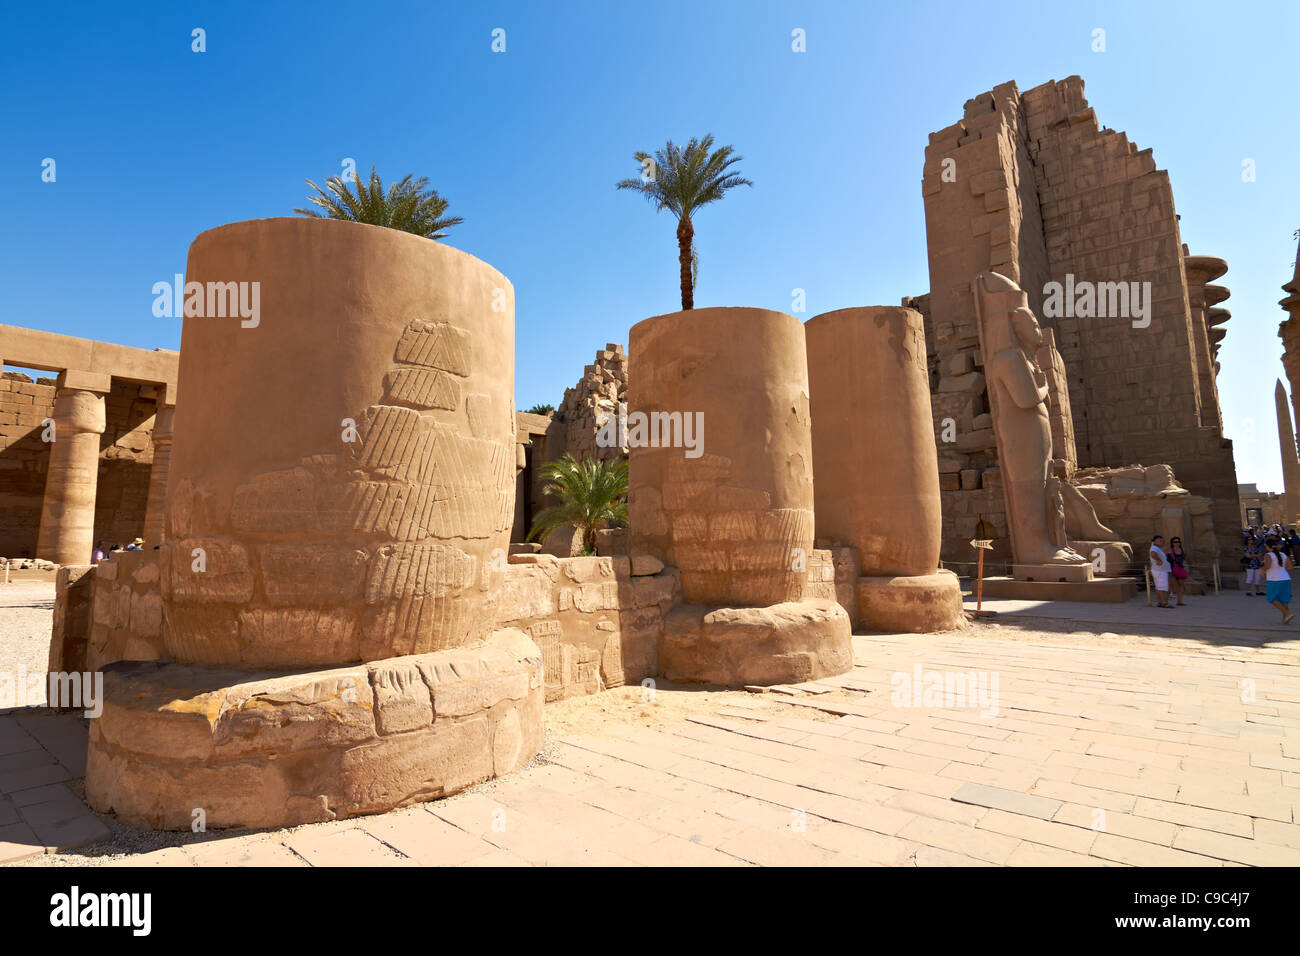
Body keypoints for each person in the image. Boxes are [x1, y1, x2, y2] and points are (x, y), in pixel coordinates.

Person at [1262, 535, 1294, 624]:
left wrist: (1262, 569)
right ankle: (1285, 618)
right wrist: (1281, 569)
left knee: (1271, 598)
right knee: (1284, 599)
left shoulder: (1268, 555)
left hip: (1274, 579)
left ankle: (1287, 613)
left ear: (1267, 546)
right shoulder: (1283, 554)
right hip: (1285, 578)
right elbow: (1290, 567)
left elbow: (1267, 566)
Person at [1149, 534, 1171, 608]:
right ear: (1154, 541)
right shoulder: (1154, 548)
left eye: (1162, 541)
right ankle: (1164, 603)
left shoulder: (1157, 548)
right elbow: (1153, 555)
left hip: (1159, 570)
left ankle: (1160, 602)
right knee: (1163, 587)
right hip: (1160, 570)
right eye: (1160, 540)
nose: (1162, 542)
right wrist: (1159, 561)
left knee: (1159, 587)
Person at [1167, 536, 1189, 606]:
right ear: (1172, 543)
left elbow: (1185, 557)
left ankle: (1180, 601)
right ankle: (1164, 601)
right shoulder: (1169, 550)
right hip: (1172, 570)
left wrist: (1183, 563)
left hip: (1180, 569)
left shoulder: (1182, 549)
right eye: (1175, 542)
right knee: (1172, 586)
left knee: (1180, 585)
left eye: (1178, 541)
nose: (1177, 543)